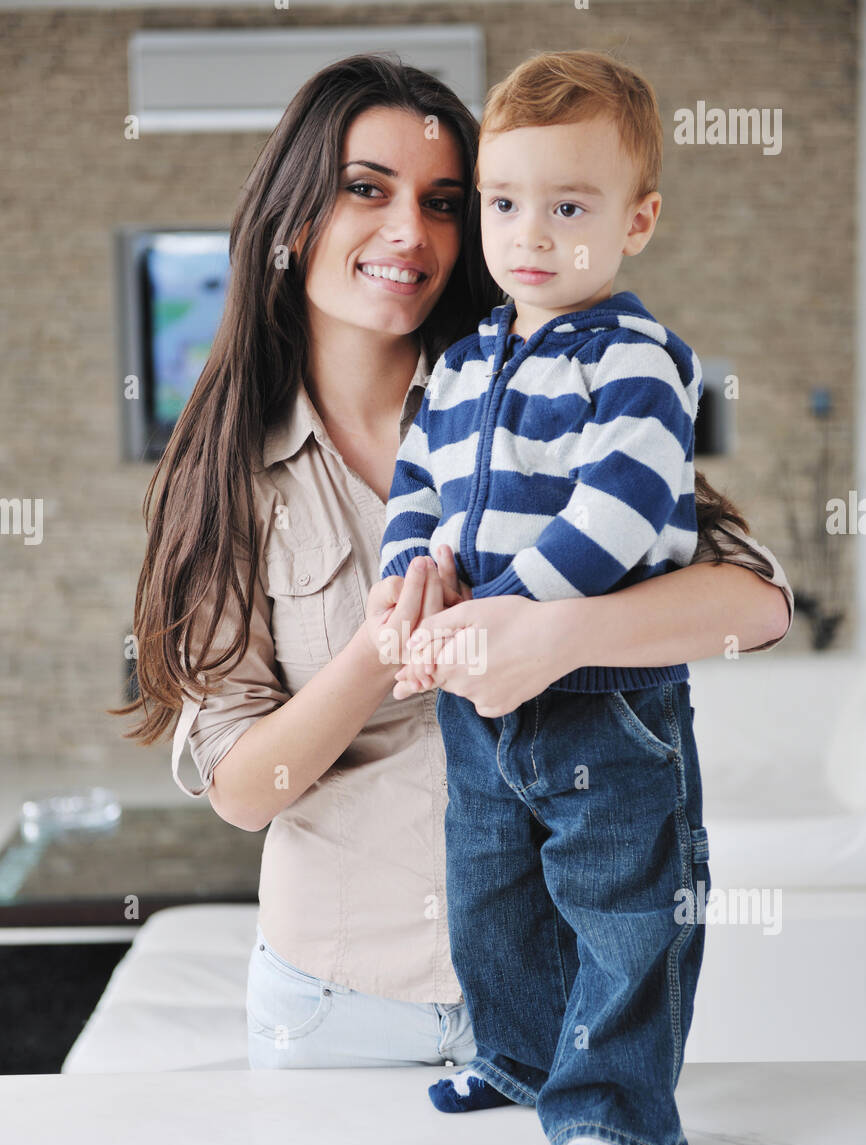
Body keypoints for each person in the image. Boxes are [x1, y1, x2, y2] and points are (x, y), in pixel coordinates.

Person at [114, 54, 792, 1082]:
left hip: (558, 998)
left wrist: (550, 633)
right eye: (364, 189)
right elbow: (247, 790)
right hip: (337, 1003)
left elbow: (755, 601)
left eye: (440, 201)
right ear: (293, 216)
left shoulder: (567, 380)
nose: (409, 233)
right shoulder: (220, 479)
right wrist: (390, 645)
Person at [379, 50, 768, 1145]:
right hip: (475, 702)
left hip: (603, 702)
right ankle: (515, 1052)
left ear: (635, 221)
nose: (528, 233)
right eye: (503, 204)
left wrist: (512, 609)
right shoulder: (456, 366)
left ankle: (613, 1113)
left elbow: (622, 504)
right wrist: (412, 568)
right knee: (488, 888)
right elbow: (417, 482)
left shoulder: (637, 360)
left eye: (568, 206)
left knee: (621, 906)